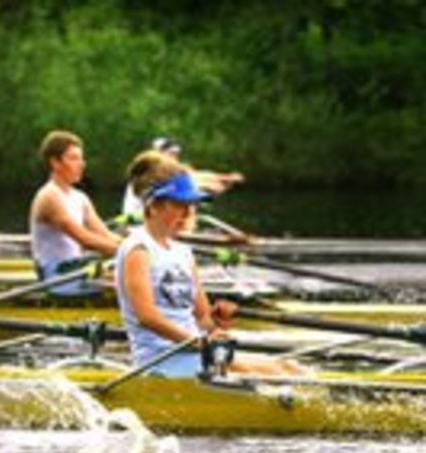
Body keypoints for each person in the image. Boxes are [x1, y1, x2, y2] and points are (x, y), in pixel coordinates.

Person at [114, 154, 308, 378]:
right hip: (160, 362)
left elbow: (203, 318)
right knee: (276, 373)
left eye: (191, 205)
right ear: (154, 205)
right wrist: (199, 342)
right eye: (179, 205)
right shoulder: (138, 249)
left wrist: (218, 322)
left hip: (196, 354)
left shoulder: (183, 252)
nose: (188, 214)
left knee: (288, 366)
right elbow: (147, 316)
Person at [29, 130, 123, 295]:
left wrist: (139, 246)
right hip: (56, 278)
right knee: (133, 286)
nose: (82, 164)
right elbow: (84, 239)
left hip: (75, 271)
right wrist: (130, 252)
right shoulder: (49, 196)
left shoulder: (80, 198)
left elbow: (105, 235)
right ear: (55, 162)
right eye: (73, 158)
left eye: (81, 158)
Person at [121, 137, 245, 220]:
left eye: (175, 154)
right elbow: (196, 179)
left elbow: (198, 175)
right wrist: (224, 180)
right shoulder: (154, 173)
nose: (174, 157)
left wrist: (224, 179)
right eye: (170, 153)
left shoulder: (173, 171)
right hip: (140, 221)